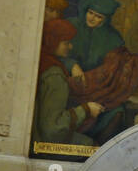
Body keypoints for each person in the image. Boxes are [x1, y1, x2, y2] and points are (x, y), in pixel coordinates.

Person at [65, 0, 138, 144]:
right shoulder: (70, 26)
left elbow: (121, 60)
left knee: (117, 114)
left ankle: (98, 151)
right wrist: (72, 65)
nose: (92, 18)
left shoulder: (113, 37)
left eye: (98, 16)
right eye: (91, 13)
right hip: (71, 88)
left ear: (105, 19)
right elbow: (51, 51)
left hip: (101, 91)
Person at [33, 19, 101, 147]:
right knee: (92, 147)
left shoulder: (41, 61)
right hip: (43, 143)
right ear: (52, 43)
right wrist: (86, 109)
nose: (70, 47)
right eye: (66, 43)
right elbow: (53, 130)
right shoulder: (54, 75)